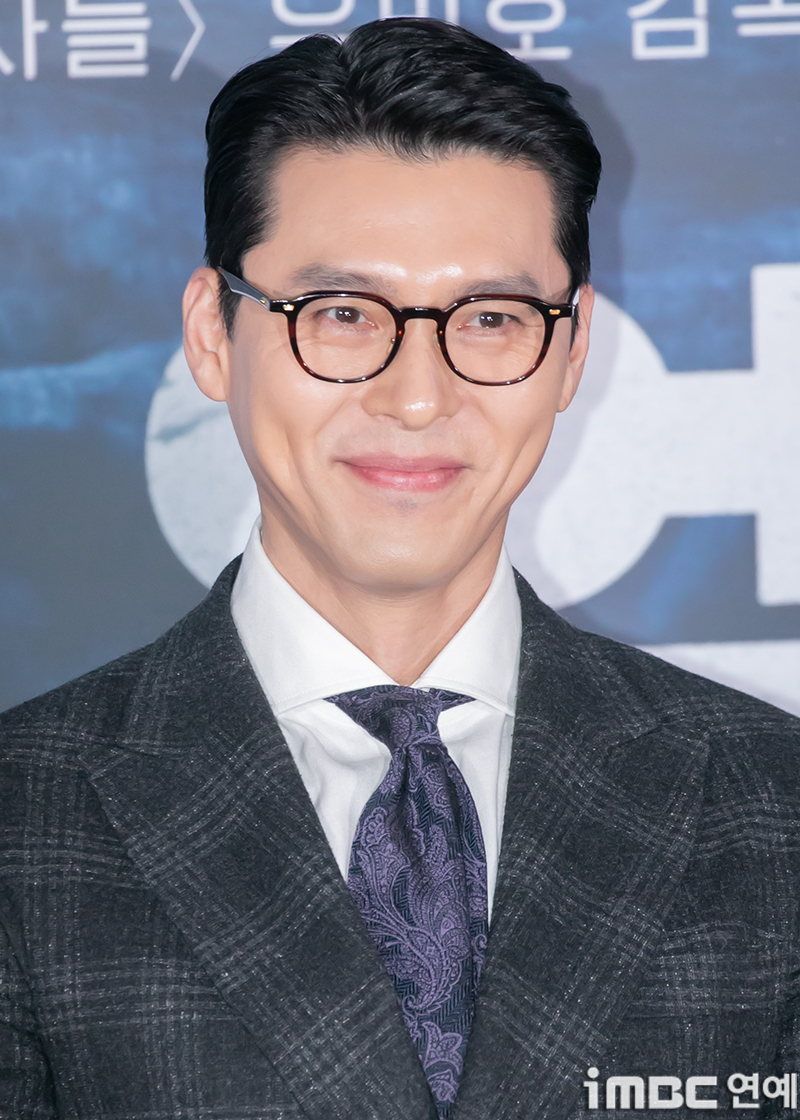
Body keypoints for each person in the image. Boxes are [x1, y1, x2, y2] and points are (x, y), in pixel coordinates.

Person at [1, 17, 799, 1120]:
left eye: (490, 318)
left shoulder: (772, 807)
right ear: (213, 335)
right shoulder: (23, 815)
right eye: (339, 313)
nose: (418, 397)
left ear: (571, 351)